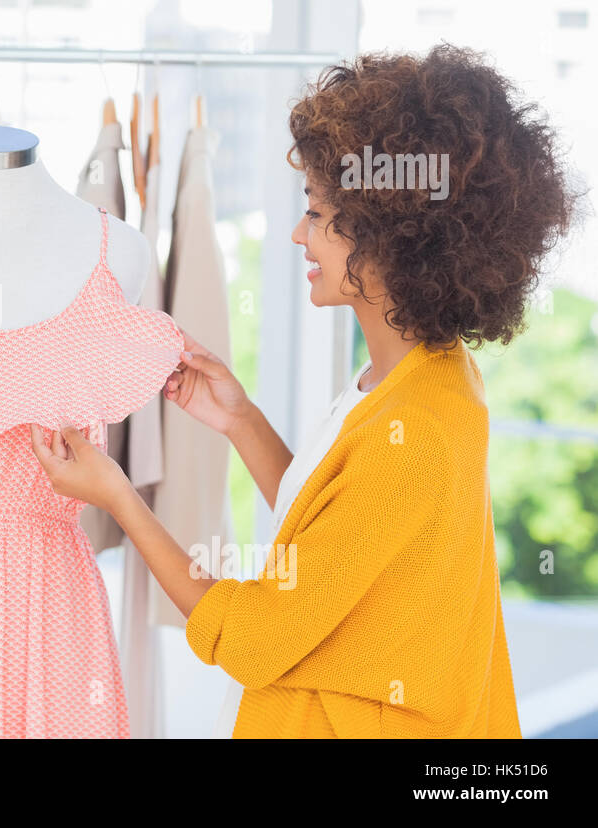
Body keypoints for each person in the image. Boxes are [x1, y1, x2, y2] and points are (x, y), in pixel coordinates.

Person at [30, 44, 583, 737]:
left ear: (393, 242)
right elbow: (336, 537)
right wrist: (241, 420)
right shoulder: (427, 376)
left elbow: (253, 640)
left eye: (318, 215)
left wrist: (116, 496)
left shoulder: (413, 430)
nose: (298, 234)